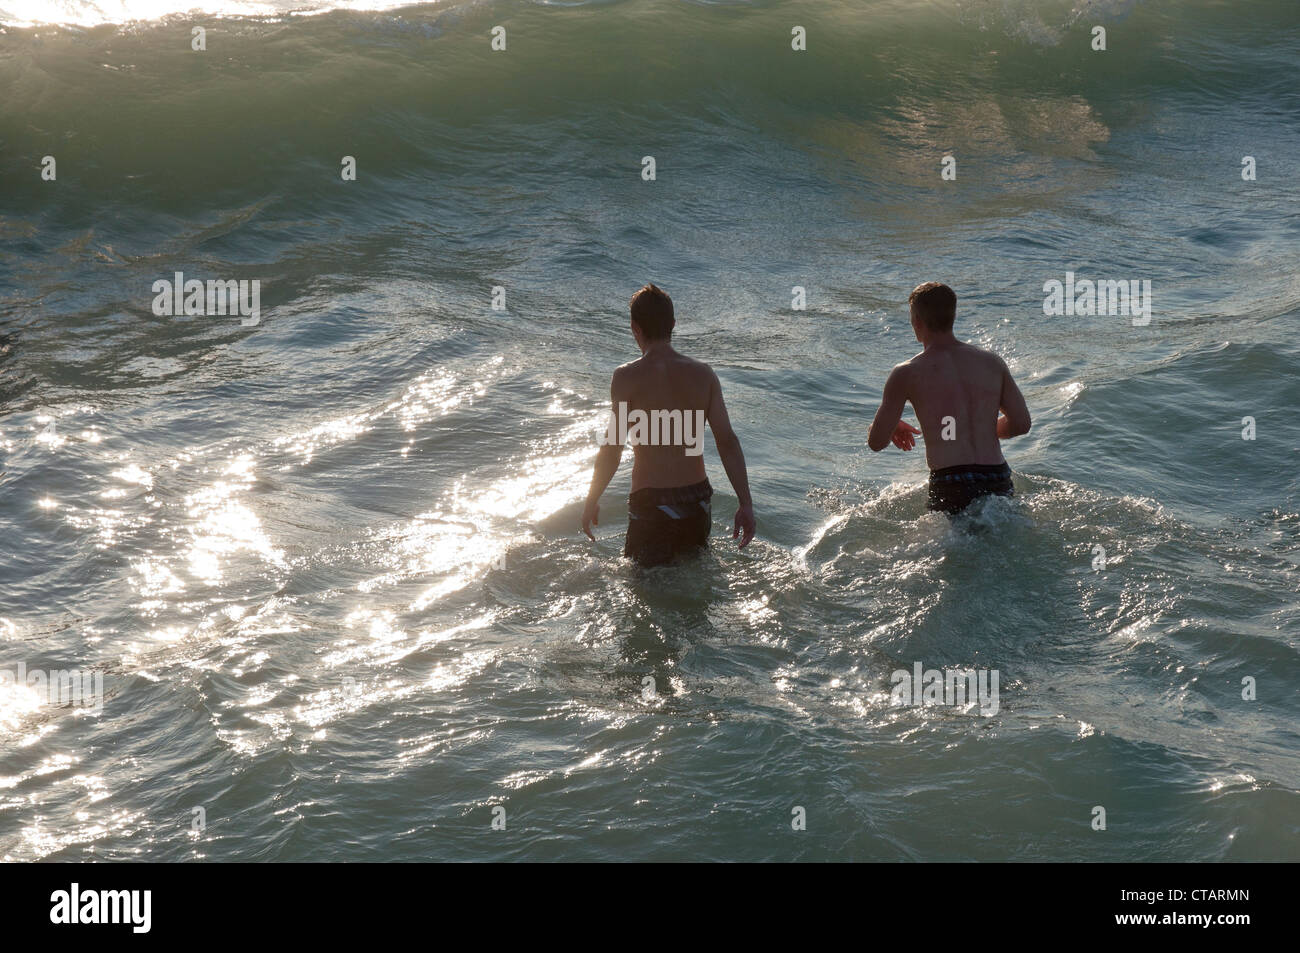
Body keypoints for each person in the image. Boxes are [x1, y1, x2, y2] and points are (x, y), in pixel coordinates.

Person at [581, 284, 756, 565]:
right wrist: (745, 503)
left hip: (650, 504)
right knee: (696, 589)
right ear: (673, 325)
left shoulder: (626, 377)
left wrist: (592, 499)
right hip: (696, 500)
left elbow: (612, 448)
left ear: (634, 328)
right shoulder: (703, 375)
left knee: (645, 596)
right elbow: (727, 441)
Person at [867, 282, 1031, 515]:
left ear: (916, 321)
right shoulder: (991, 363)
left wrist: (887, 425)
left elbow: (877, 442)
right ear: (953, 316)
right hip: (997, 475)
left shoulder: (906, 372)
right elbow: (1021, 424)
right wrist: (979, 428)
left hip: (950, 481)